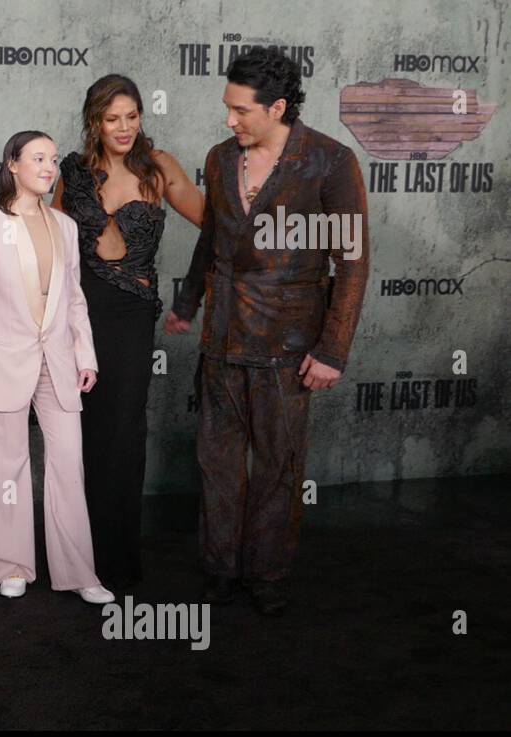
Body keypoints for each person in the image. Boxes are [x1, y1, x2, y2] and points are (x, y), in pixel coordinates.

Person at [165, 47, 370, 616]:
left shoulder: (329, 161)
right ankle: (219, 571)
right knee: (217, 465)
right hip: (222, 338)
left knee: (278, 469)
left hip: (289, 346)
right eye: (227, 109)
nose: (230, 120)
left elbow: (351, 262)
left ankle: (269, 576)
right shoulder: (217, 157)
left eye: (240, 110)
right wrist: (187, 302)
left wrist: (332, 351)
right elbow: (212, 239)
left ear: (278, 107)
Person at [52, 74, 204, 589]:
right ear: (94, 120)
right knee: (82, 431)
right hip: (78, 312)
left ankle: (116, 559)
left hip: (132, 313)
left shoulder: (159, 168)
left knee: (122, 431)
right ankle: (77, 558)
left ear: (142, 116)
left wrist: (194, 294)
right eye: (111, 118)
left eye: (132, 116)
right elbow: (47, 242)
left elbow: (220, 222)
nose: (123, 127)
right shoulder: (72, 174)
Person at [0, 131, 113, 603]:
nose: (48, 167)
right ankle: (12, 565)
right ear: (13, 165)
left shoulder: (64, 225)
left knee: (68, 465)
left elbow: (75, 300)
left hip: (59, 360)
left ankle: (80, 572)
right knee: (5, 468)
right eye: (37, 158)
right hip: (3, 360)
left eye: (53, 159)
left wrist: (86, 356)